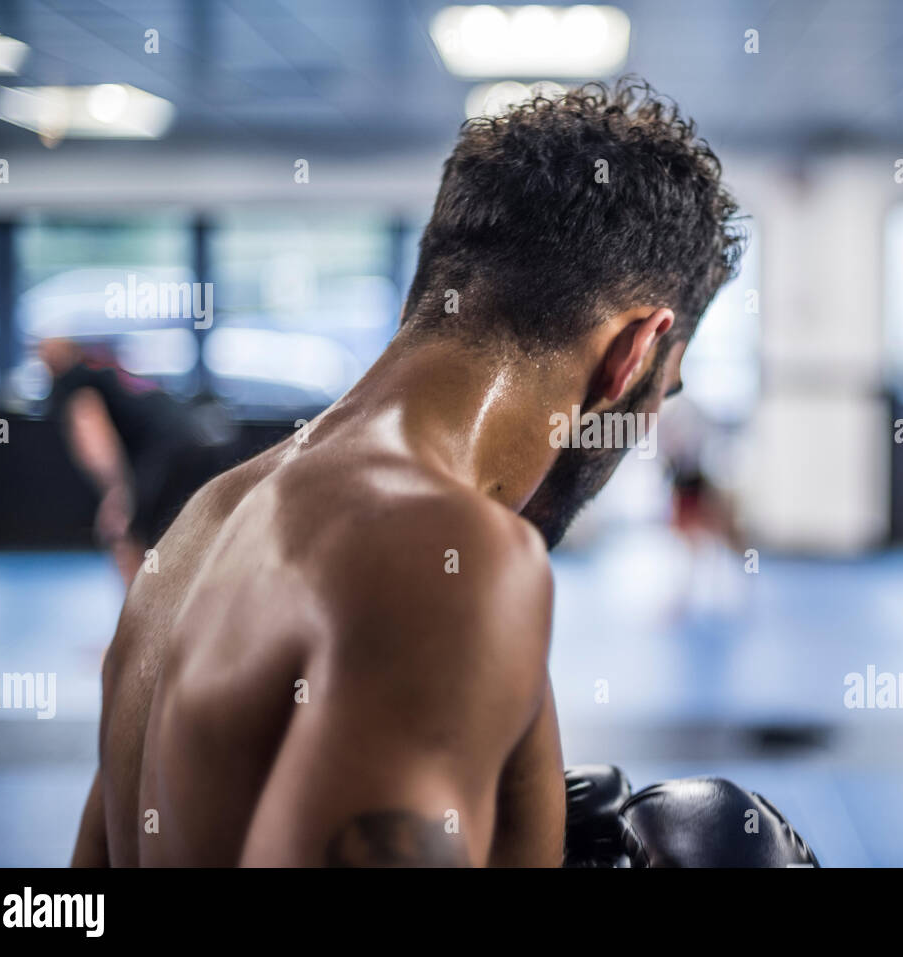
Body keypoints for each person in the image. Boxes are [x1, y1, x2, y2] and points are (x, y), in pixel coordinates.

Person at [71, 79, 817, 867]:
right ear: (633, 350)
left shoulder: (194, 532)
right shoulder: (450, 562)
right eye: (662, 392)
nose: (646, 429)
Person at [40, 338, 231, 586]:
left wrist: (116, 492)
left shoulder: (75, 382)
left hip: (168, 451)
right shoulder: (107, 369)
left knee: (125, 533)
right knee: (182, 533)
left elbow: (94, 438)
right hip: (200, 442)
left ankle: (141, 612)